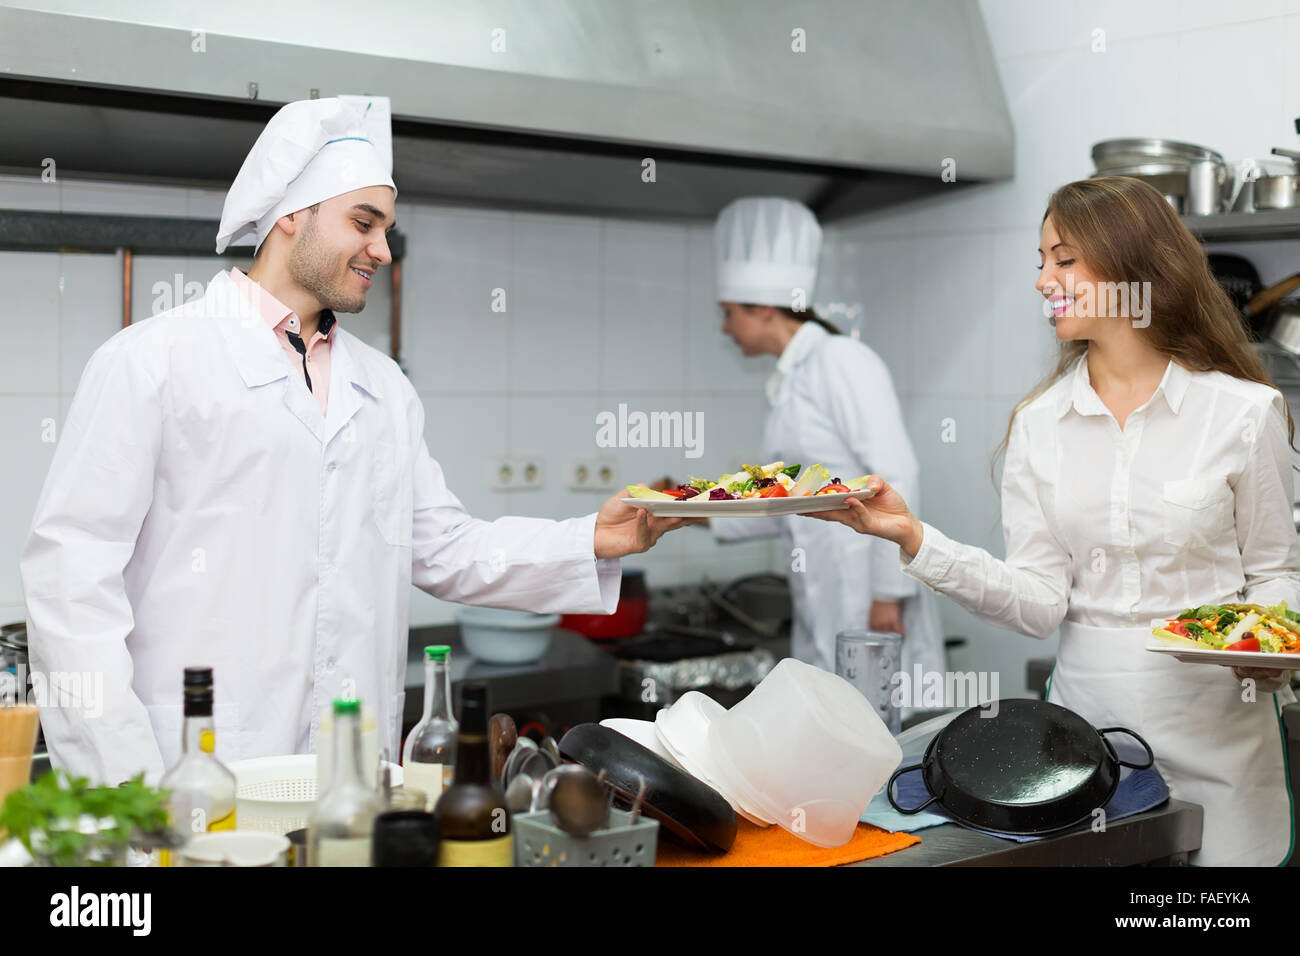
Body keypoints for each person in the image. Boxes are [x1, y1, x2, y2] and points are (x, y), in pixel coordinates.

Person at [21, 95, 695, 785]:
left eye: (387, 228)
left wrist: (594, 539)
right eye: (363, 223)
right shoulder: (150, 362)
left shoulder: (383, 388)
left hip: (352, 782)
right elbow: (71, 583)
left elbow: (444, 547)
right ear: (290, 214)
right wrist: (123, 787)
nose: (382, 249)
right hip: (193, 774)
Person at [814, 176, 1299, 866]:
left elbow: (1276, 570)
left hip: (1222, 736)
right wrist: (914, 539)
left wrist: (1269, 647)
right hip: (1084, 751)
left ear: (1134, 262)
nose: (1044, 281)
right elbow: (1038, 603)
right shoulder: (1039, 428)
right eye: (1040, 261)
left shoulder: (1243, 413)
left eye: (1063, 259)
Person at [708, 197, 945, 689]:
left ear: (766, 309)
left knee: (884, 738)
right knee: (837, 732)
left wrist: (886, 594)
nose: (725, 327)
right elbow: (794, 497)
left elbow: (897, 475)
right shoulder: (792, 377)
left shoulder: (841, 361)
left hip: (867, 593)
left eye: (730, 313)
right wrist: (691, 511)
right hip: (824, 590)